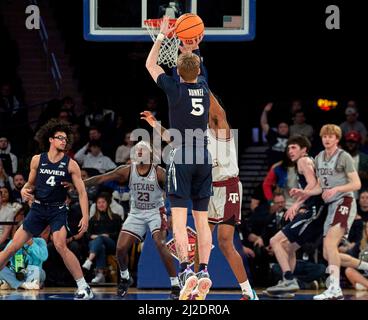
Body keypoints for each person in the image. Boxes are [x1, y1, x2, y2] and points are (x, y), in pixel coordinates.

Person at [141, 92, 258, 300]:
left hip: (228, 187)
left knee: (224, 242)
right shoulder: (197, 133)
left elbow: (218, 110)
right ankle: (195, 288)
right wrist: (154, 125)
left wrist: (201, 83)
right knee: (200, 241)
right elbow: (174, 139)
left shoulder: (222, 128)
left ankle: (248, 291)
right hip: (208, 189)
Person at [145, 16, 213, 300]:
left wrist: (162, 36)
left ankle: (186, 270)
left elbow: (151, 65)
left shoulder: (175, 90)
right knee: (202, 220)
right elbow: (195, 64)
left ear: (177, 72)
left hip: (183, 155)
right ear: (197, 69)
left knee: (179, 219)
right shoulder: (205, 86)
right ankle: (205, 272)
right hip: (204, 157)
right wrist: (192, 45)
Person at [0, 119, 93, 300]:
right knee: (12, 247)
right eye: (60, 138)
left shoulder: (70, 164)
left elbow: (82, 193)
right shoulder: (37, 160)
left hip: (58, 210)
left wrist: (86, 216)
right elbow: (29, 185)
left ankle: (84, 287)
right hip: (38, 209)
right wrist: (24, 191)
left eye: (66, 139)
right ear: (51, 139)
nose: (64, 141)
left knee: (60, 244)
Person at [77, 141, 180, 299]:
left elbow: (174, 191)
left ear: (150, 154)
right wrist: (78, 185)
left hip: (156, 211)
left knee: (160, 243)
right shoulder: (127, 170)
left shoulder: (159, 172)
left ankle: (175, 285)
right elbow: (101, 178)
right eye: (137, 150)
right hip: (136, 212)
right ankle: (125, 278)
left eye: (143, 150)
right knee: (120, 248)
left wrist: (172, 214)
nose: (139, 152)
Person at [292, 124, 361, 300]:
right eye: (324, 136)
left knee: (330, 244)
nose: (327, 139)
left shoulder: (344, 156)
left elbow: (356, 184)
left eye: (331, 136)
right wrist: (304, 193)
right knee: (327, 253)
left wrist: (337, 189)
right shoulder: (319, 157)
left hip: (345, 201)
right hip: (331, 205)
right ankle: (366, 266)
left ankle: (335, 288)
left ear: (337, 139)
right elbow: (319, 187)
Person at [265, 135, 325, 295]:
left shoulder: (303, 161)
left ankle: (288, 279)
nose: (290, 151)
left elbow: (313, 184)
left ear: (304, 149)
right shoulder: (309, 160)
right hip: (317, 212)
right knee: (288, 247)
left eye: (294, 147)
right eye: (289, 148)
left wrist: (297, 204)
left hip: (314, 211)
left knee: (275, 241)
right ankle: (287, 287)